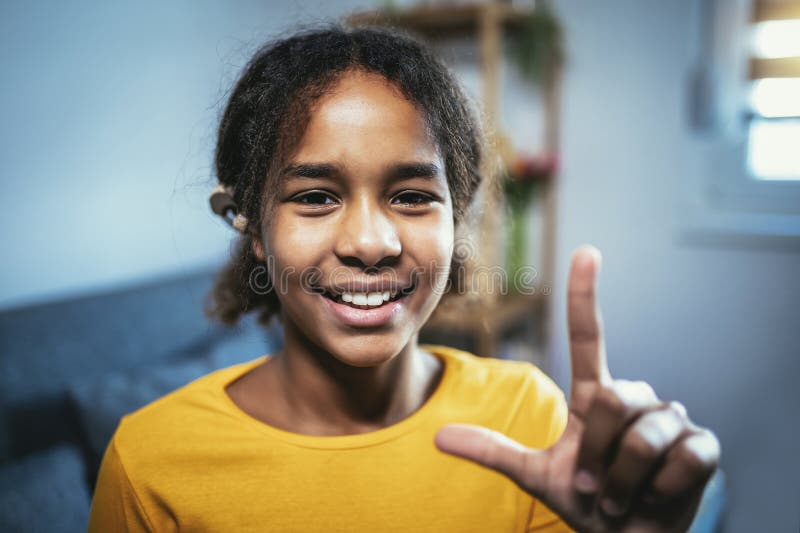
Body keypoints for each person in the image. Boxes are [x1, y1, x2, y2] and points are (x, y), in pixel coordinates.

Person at [88, 23, 720, 532]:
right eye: (315, 196)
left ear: (457, 220)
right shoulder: (151, 463)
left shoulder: (526, 417)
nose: (371, 243)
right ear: (253, 228)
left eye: (413, 196)